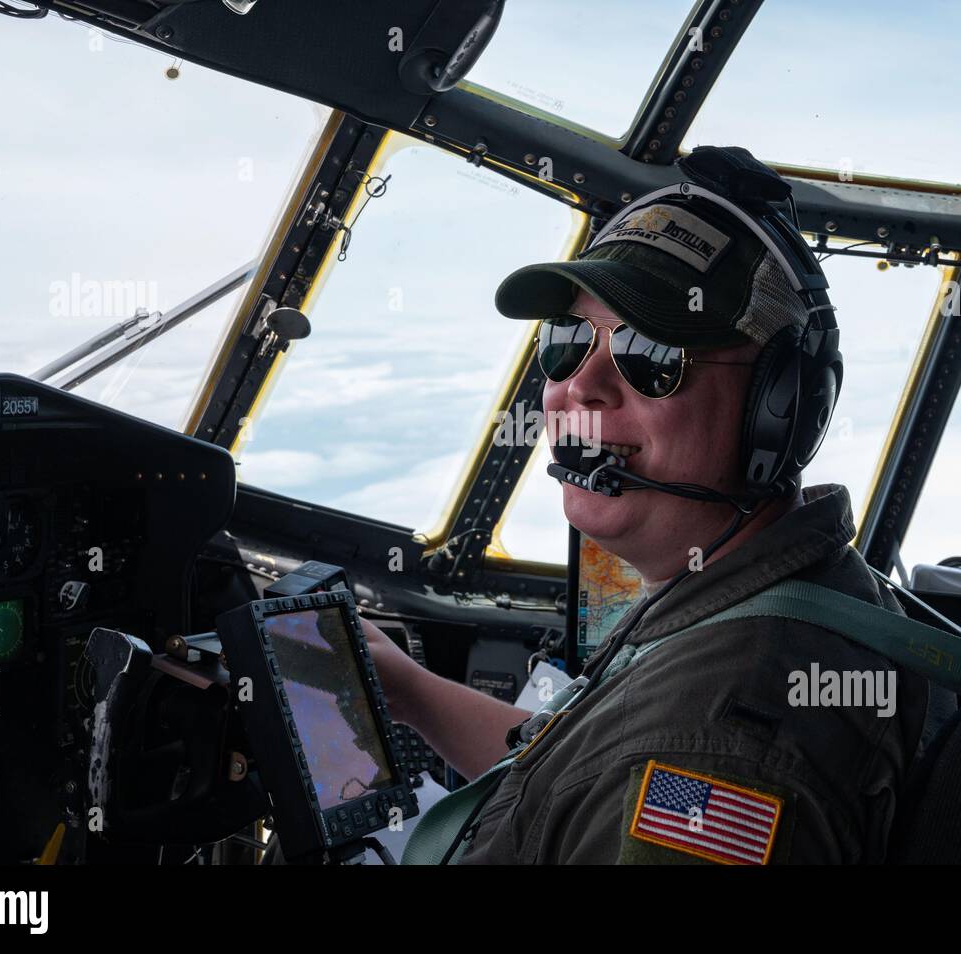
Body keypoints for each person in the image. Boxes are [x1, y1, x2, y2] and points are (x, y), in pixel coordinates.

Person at [363, 147, 927, 864]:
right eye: (568, 342)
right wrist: (407, 689)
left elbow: (656, 759)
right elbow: (574, 779)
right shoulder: (768, 596)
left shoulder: (717, 761)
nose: (580, 388)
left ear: (781, 409)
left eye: (651, 352)